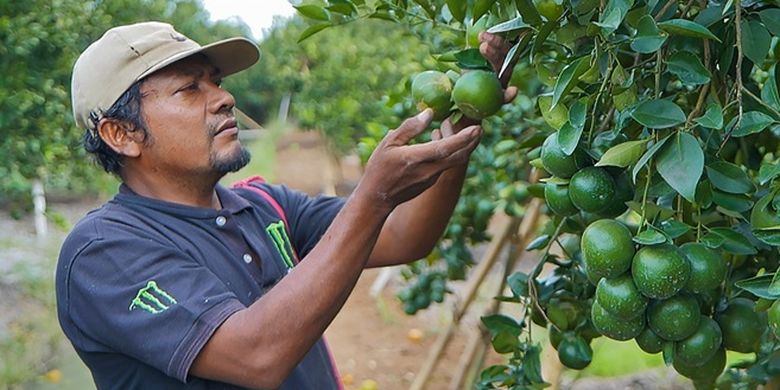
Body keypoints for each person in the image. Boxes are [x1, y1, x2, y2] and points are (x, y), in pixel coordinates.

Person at [56, 21, 517, 389]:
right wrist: (373, 197)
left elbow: (405, 236)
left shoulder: (263, 205)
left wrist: (463, 122)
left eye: (215, 82)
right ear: (122, 134)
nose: (225, 98)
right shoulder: (103, 253)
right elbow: (256, 356)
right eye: (190, 89)